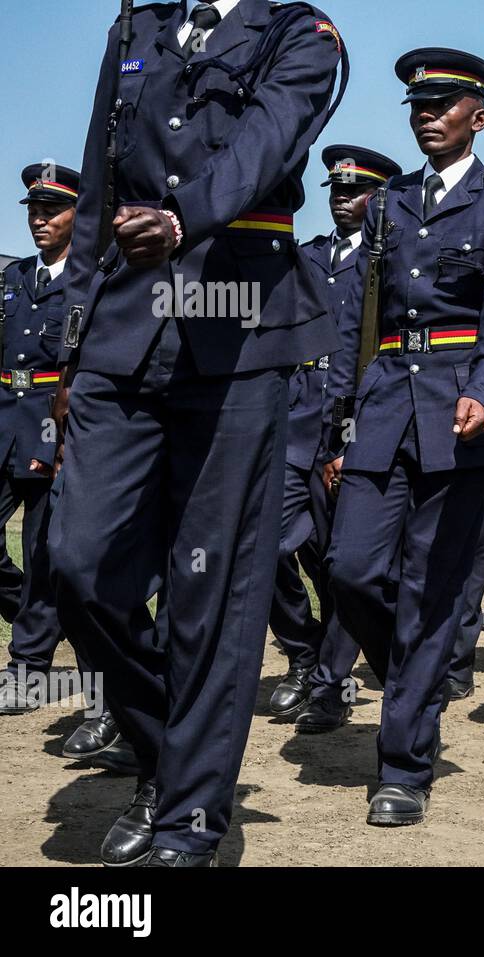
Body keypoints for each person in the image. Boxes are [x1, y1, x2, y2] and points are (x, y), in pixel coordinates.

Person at [50, 0, 346, 867]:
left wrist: (186, 215)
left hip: (240, 325)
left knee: (208, 593)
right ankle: (162, 754)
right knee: (78, 562)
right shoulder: (136, 29)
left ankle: (188, 817)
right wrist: (74, 338)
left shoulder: (301, 34)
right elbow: (99, 186)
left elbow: (267, 144)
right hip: (123, 328)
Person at [321, 48, 484, 824]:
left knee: (431, 590)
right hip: (385, 403)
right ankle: (413, 686)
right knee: (349, 566)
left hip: (464, 415)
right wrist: (334, 417)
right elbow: (362, 316)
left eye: (442, 105)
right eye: (417, 105)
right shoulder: (387, 203)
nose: (426, 114)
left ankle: (404, 765)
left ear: (477, 117)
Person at [0, 163, 133, 767]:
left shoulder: (94, 280)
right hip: (6, 424)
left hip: (58, 432)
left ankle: (51, 675)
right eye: (32, 210)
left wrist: (62, 437)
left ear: (79, 216)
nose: (38, 220)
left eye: (51, 210)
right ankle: (33, 629)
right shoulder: (15, 279)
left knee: (56, 558)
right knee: (39, 571)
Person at [267, 144, 401, 719]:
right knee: (268, 547)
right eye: (338, 192)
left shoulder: (392, 261)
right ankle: (303, 652)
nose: (344, 201)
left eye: (357, 192)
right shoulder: (306, 257)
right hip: (297, 420)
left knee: (342, 561)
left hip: (360, 421)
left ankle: (331, 683)